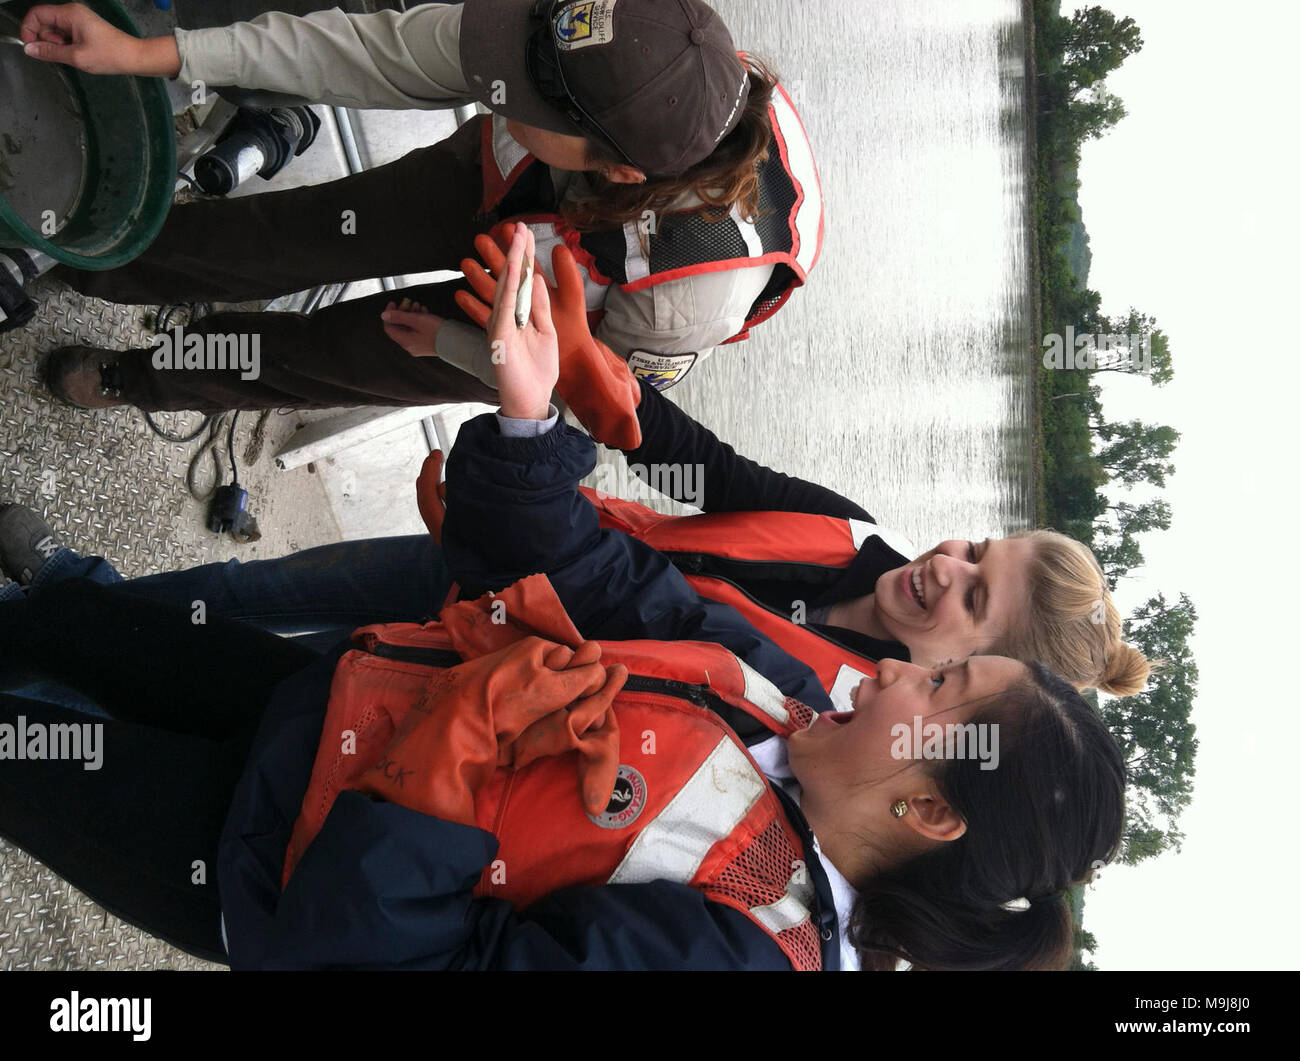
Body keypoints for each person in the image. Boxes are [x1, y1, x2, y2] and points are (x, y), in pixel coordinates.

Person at [0, 227, 1126, 971]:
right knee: (168, 615)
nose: (940, 575)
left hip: (268, 846)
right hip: (377, 667)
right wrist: (557, 401)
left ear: (932, 807)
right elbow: (688, 494)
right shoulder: (820, 606)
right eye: (974, 544)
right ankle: (60, 602)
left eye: (957, 643)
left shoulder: (746, 938)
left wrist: (440, 764)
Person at [22, 0, 820, 411]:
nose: (493, 87)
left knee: (327, 360)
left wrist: (457, 342)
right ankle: (79, 255)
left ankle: (144, 376)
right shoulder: (597, 39)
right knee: (290, 234)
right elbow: (365, 53)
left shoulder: (690, 299)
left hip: (540, 319)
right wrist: (155, 56)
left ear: (613, 170)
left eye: (528, 104)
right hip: (496, 185)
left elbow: (584, 402)